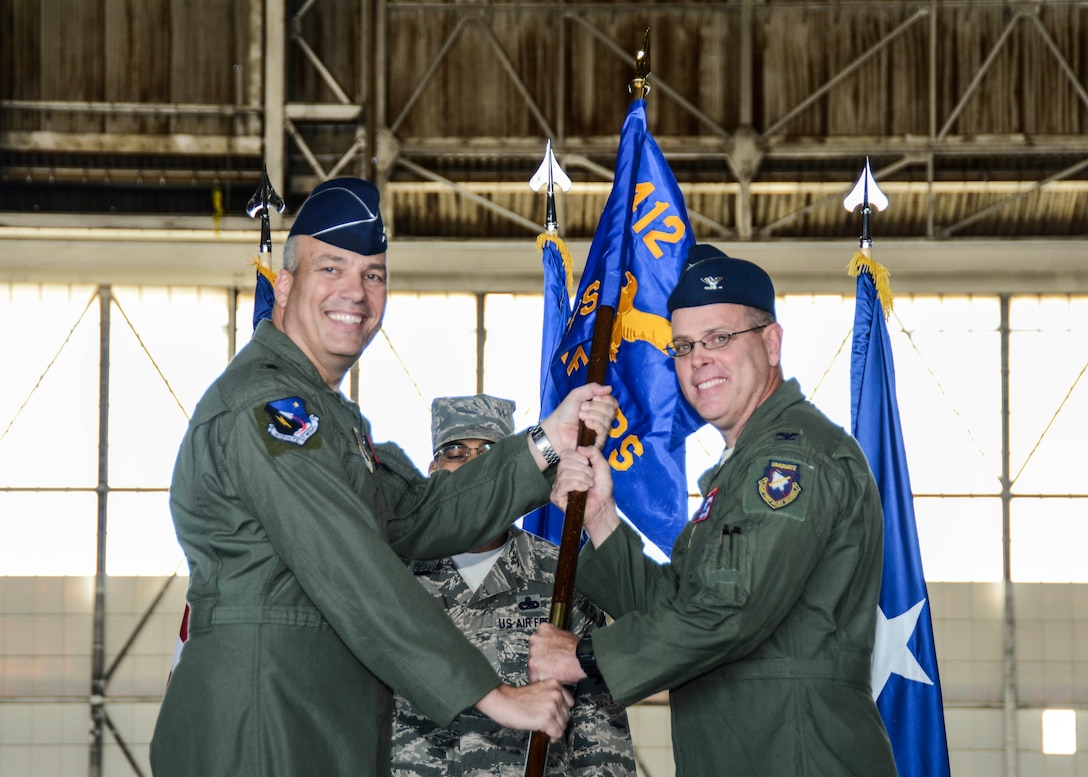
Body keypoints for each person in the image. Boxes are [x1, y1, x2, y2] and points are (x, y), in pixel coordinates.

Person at [149, 177, 618, 777]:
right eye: (332, 268)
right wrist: (492, 694)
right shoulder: (267, 409)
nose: (357, 292)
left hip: (312, 716)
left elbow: (423, 515)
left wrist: (548, 438)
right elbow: (351, 564)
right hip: (263, 719)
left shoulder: (327, 417)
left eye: (373, 274)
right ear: (284, 284)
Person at [528, 244, 898, 776]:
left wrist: (584, 656)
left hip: (797, 757)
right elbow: (683, 605)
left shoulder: (791, 458)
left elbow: (729, 613)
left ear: (771, 344)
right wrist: (601, 518)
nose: (699, 359)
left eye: (719, 338)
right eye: (683, 346)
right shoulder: (745, 465)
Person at [390, 394, 636, 777]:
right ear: (433, 468)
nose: (473, 463)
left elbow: (599, 731)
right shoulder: (393, 575)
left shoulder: (562, 575)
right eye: (455, 452)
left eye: (489, 452)